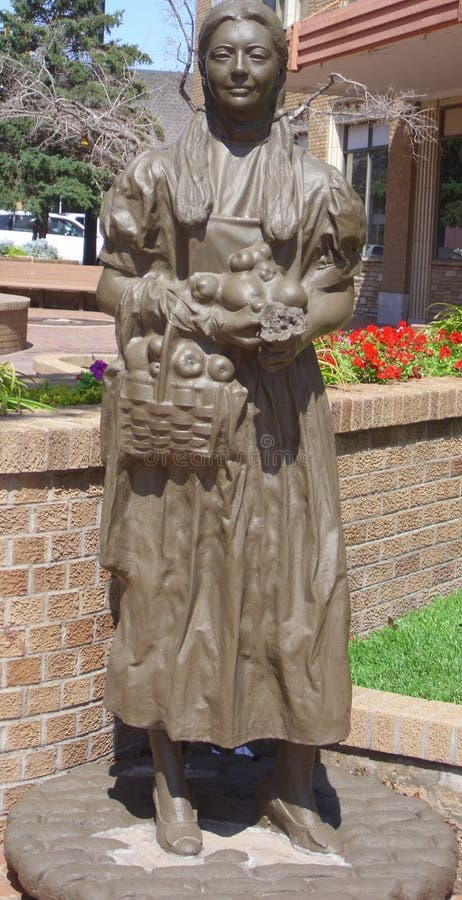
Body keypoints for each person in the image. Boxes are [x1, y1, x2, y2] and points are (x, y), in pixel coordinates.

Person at [96, 0, 366, 859]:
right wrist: (157, 296)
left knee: (299, 587)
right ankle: (171, 782)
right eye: (224, 55)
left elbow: (341, 289)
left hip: (283, 416)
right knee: (171, 584)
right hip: (186, 412)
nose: (241, 68)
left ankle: (289, 783)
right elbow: (113, 280)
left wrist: (309, 325)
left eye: (257, 53)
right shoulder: (159, 174)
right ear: (202, 68)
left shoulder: (320, 187)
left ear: (283, 66)